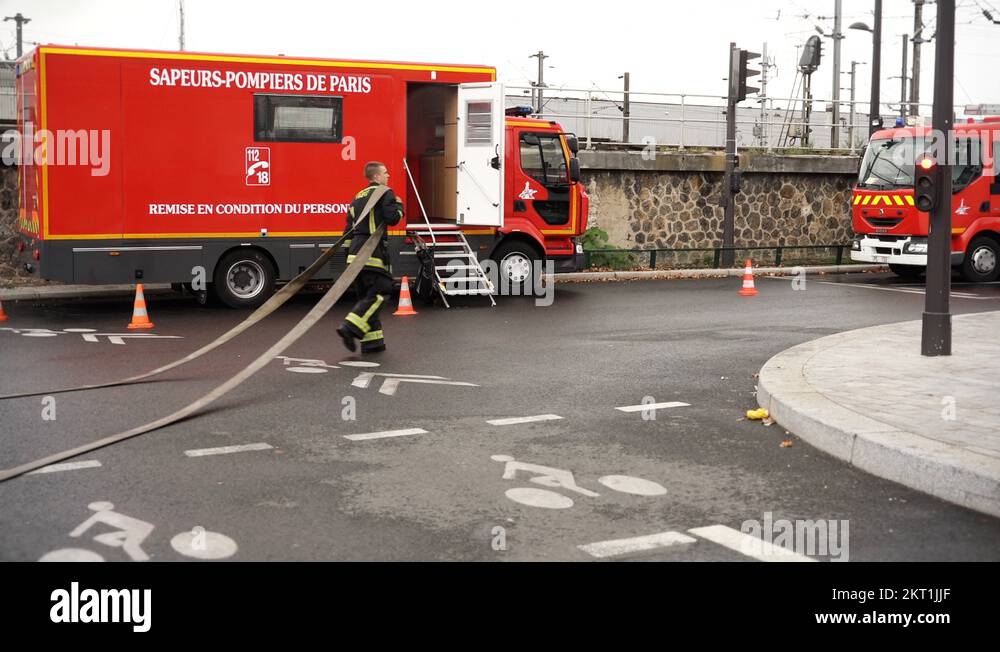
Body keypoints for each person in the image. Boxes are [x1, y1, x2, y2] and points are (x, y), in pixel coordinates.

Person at [337, 161, 405, 354]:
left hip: (355, 257)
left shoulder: (357, 197)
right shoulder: (385, 192)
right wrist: (399, 205)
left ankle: (372, 343)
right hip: (372, 254)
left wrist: (348, 259)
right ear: (376, 177)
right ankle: (349, 327)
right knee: (381, 292)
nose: (388, 175)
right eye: (385, 172)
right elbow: (392, 218)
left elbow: (347, 231)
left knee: (366, 297)